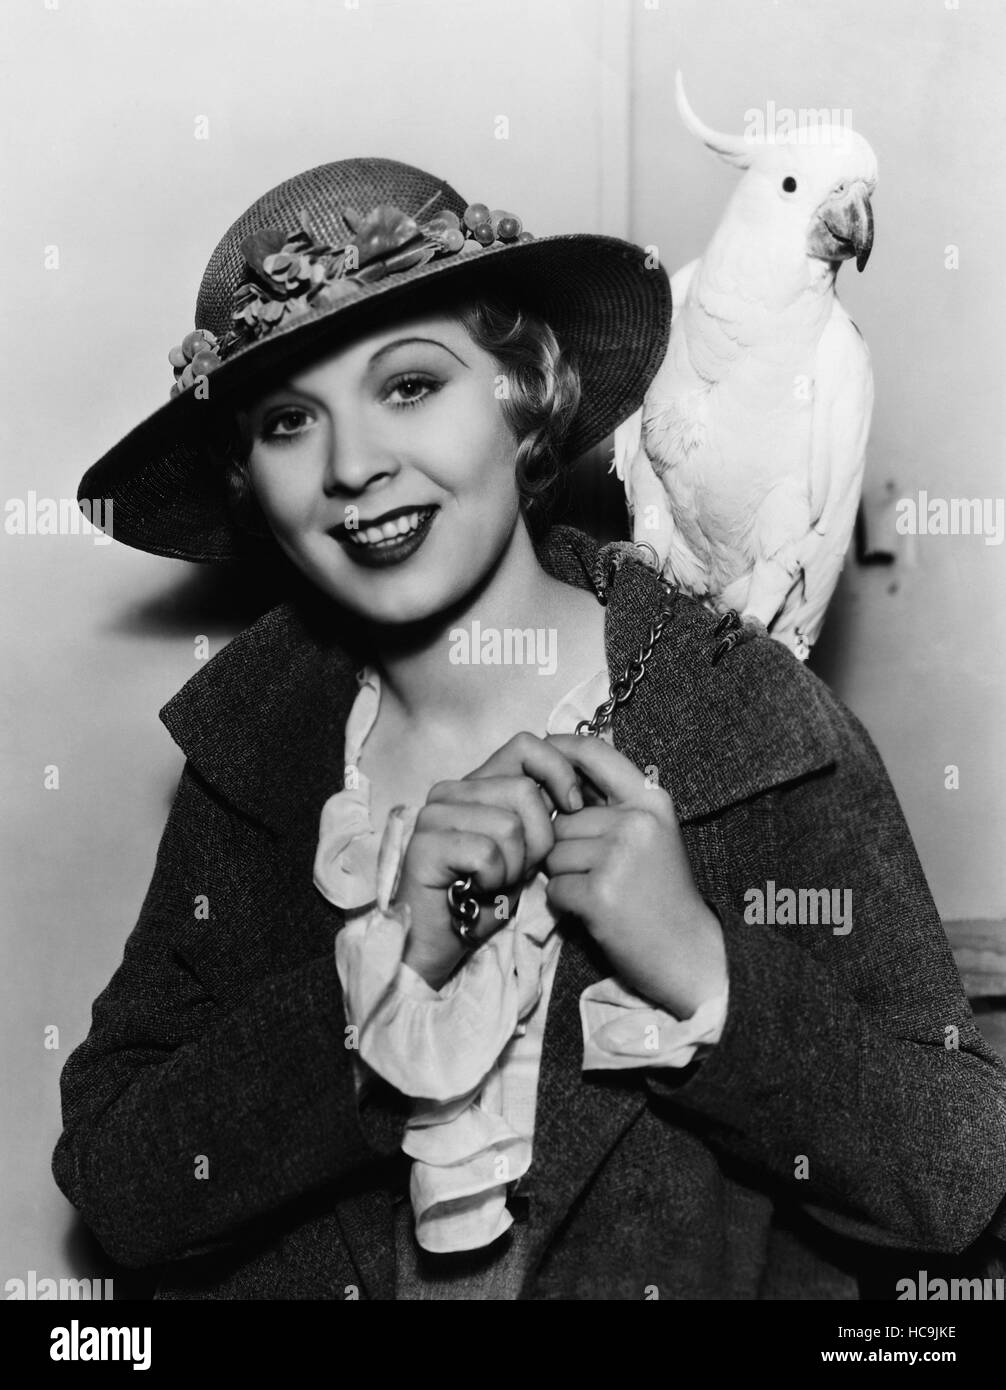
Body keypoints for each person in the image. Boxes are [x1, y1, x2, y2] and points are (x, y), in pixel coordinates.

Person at [54, 156, 1006, 1300]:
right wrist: (381, 978)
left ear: (524, 398)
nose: (353, 466)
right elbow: (122, 1189)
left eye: (409, 386)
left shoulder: (745, 717)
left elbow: (958, 1176)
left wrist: (706, 971)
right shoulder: (255, 756)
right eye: (291, 421)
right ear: (250, 482)